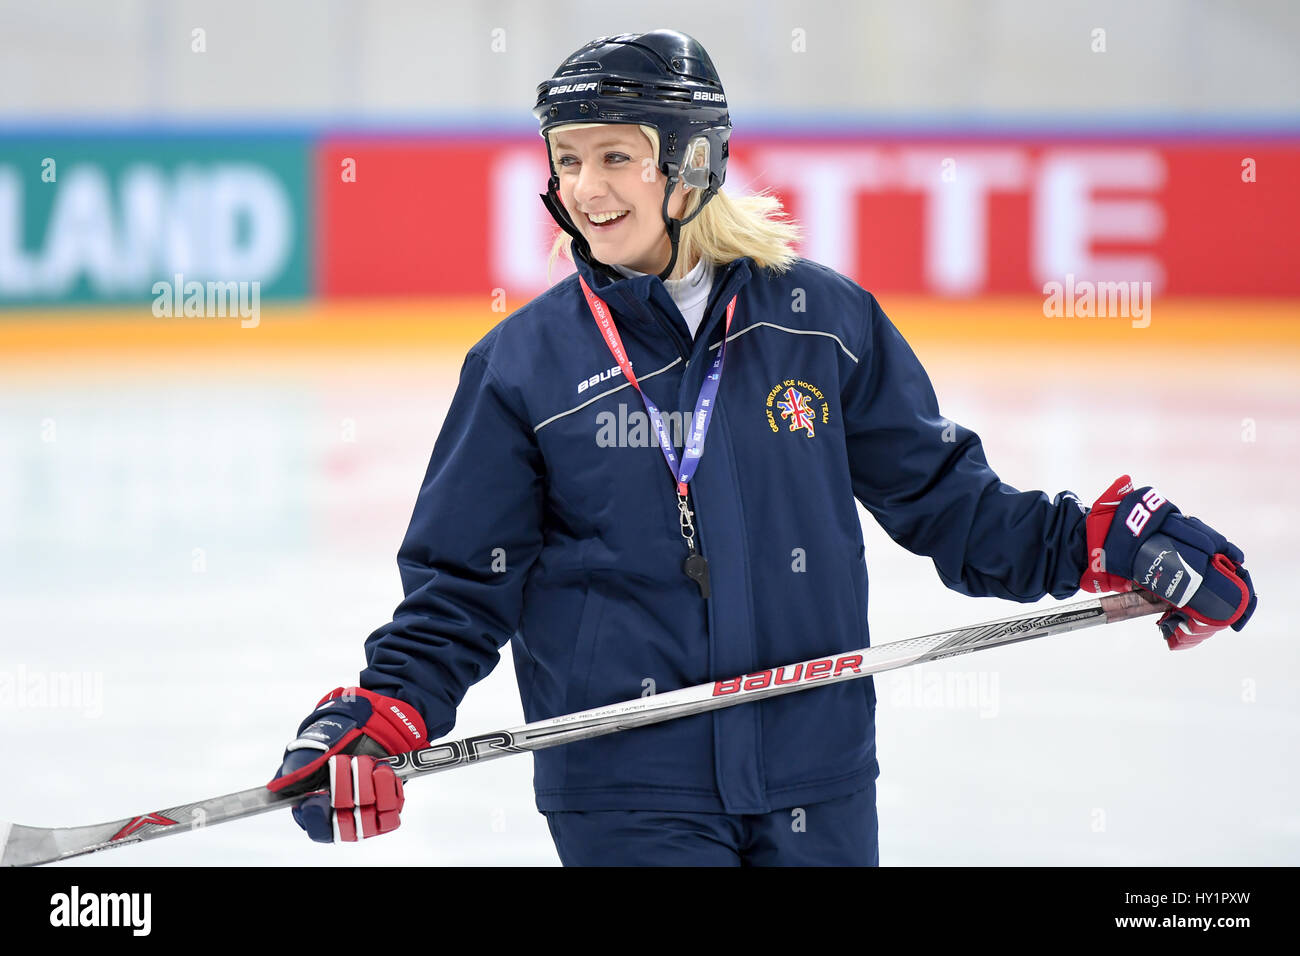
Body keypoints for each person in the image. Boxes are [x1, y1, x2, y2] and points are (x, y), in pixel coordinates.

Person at [267, 30, 1257, 865]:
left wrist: (1104, 540)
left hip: (814, 772)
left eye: (616, 156)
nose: (586, 189)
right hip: (627, 786)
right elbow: (462, 583)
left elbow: (950, 506)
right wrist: (386, 707)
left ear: (690, 160)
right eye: (568, 159)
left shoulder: (818, 322)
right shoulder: (522, 364)